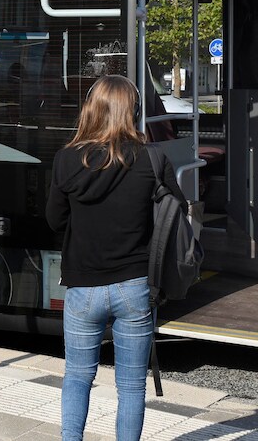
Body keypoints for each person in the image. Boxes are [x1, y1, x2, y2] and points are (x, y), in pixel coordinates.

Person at [45, 74, 184, 441]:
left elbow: (54, 220)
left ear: (92, 109)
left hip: (82, 287)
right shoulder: (153, 159)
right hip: (135, 286)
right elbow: (176, 213)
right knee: (132, 386)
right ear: (133, 111)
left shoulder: (66, 159)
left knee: (77, 376)